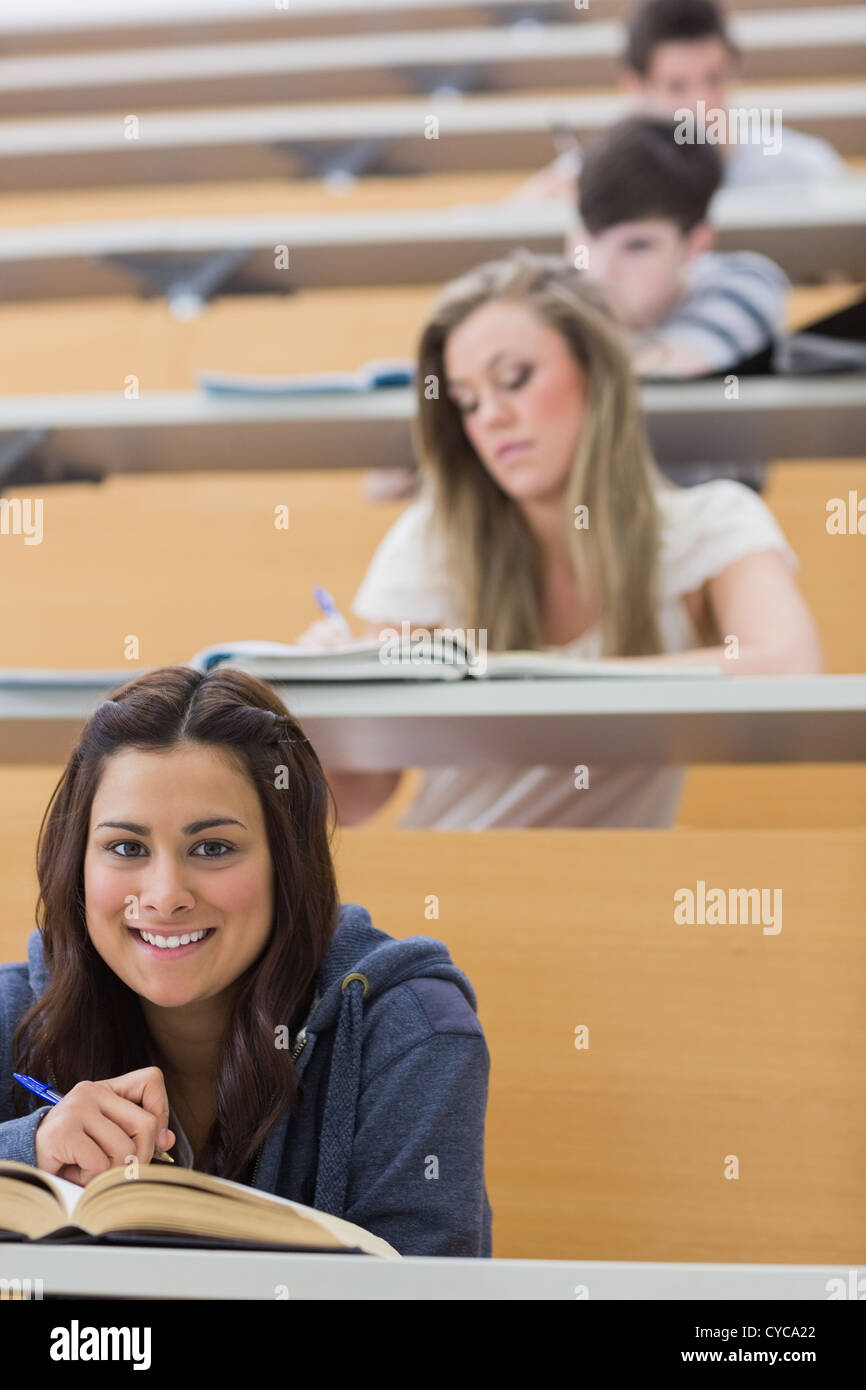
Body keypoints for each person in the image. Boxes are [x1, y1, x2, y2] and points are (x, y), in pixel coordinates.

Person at [298, 250, 823, 829]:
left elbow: (789, 673)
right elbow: (363, 791)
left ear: (596, 373)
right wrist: (320, 715)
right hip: (445, 876)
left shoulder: (713, 523)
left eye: (514, 379)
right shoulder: (435, 537)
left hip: (605, 895)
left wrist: (524, 679)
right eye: (468, 400)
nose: (491, 417)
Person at [0, 666, 492, 1257]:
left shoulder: (415, 1032)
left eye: (213, 848)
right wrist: (30, 1149)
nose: (163, 895)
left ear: (288, 863)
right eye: (126, 848)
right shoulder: (15, 1012)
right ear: (77, 862)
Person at [507, 0, 846, 205]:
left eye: (715, 79)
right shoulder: (583, 181)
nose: (702, 104)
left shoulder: (804, 169)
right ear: (634, 87)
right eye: (676, 87)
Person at [575, 115, 789, 379]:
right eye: (591, 236)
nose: (602, 271)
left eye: (637, 246)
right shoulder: (557, 291)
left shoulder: (748, 282)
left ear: (697, 243)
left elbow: (667, 371)